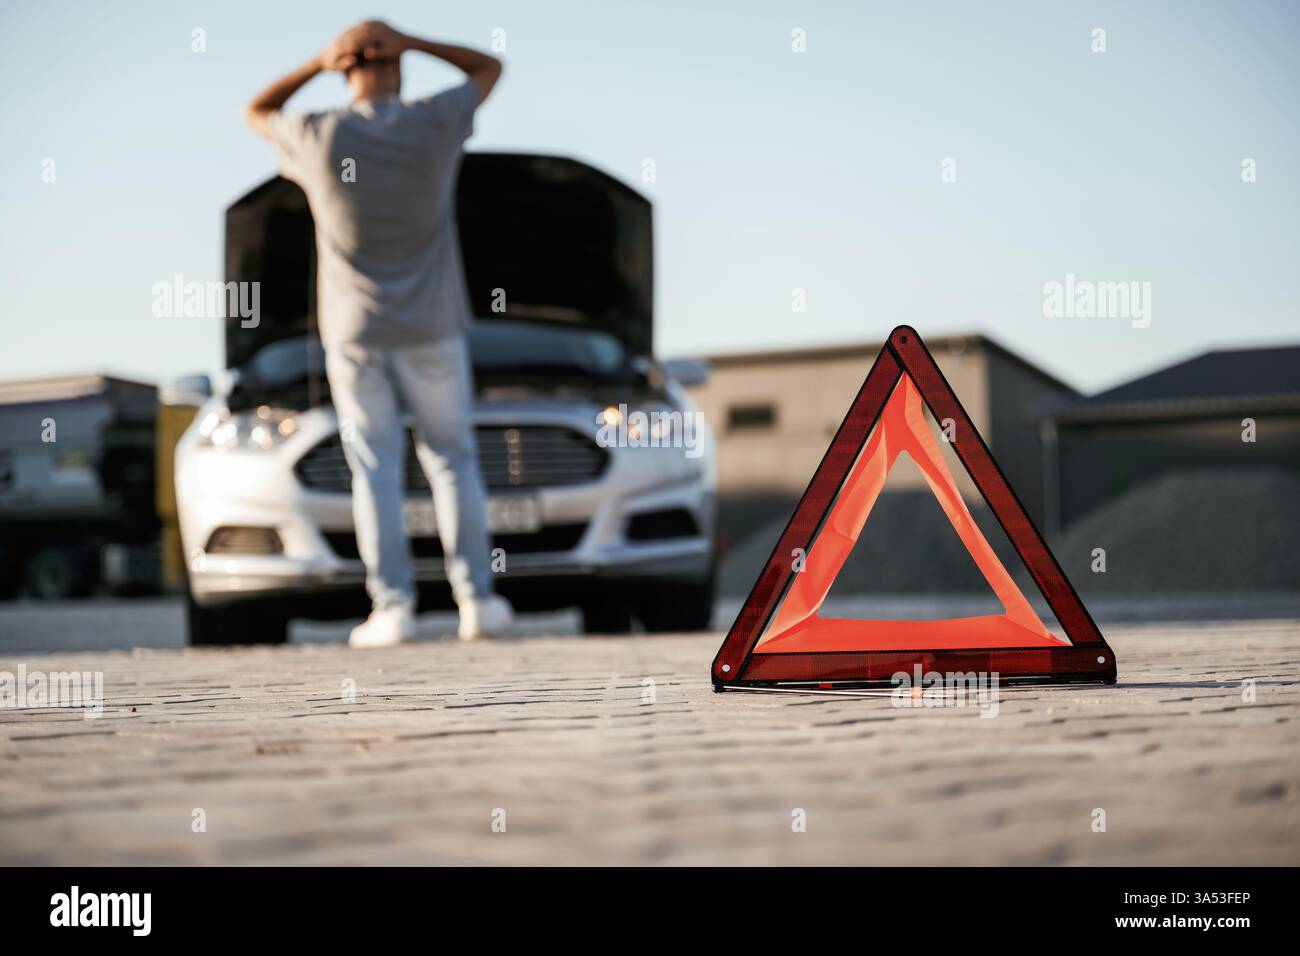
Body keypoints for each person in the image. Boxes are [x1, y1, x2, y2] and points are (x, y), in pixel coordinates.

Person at [244, 21, 512, 646]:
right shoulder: (435, 121)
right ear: (398, 68)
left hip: (355, 334)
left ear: (345, 72)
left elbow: (256, 109)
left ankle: (392, 610)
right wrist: (414, 41)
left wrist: (315, 60)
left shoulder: (317, 133)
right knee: (453, 461)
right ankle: (477, 603)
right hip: (435, 328)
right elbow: (489, 68)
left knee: (376, 471)